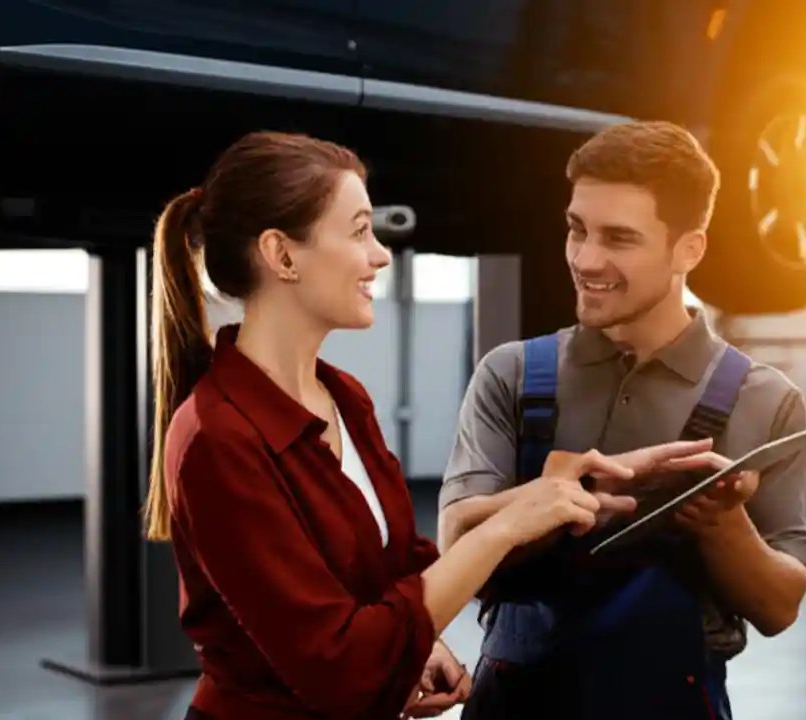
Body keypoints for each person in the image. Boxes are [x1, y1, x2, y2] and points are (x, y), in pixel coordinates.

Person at [142, 130, 691, 719]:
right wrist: (501, 531)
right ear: (281, 255)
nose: (380, 254)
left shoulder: (342, 397)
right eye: (358, 231)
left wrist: (554, 493)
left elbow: (394, 567)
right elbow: (341, 666)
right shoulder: (216, 437)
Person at [437, 120, 806, 719]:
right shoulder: (510, 375)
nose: (586, 259)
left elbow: (779, 607)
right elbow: (457, 551)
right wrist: (559, 495)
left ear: (689, 249)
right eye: (576, 229)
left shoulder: (764, 400)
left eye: (619, 238)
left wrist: (722, 524)